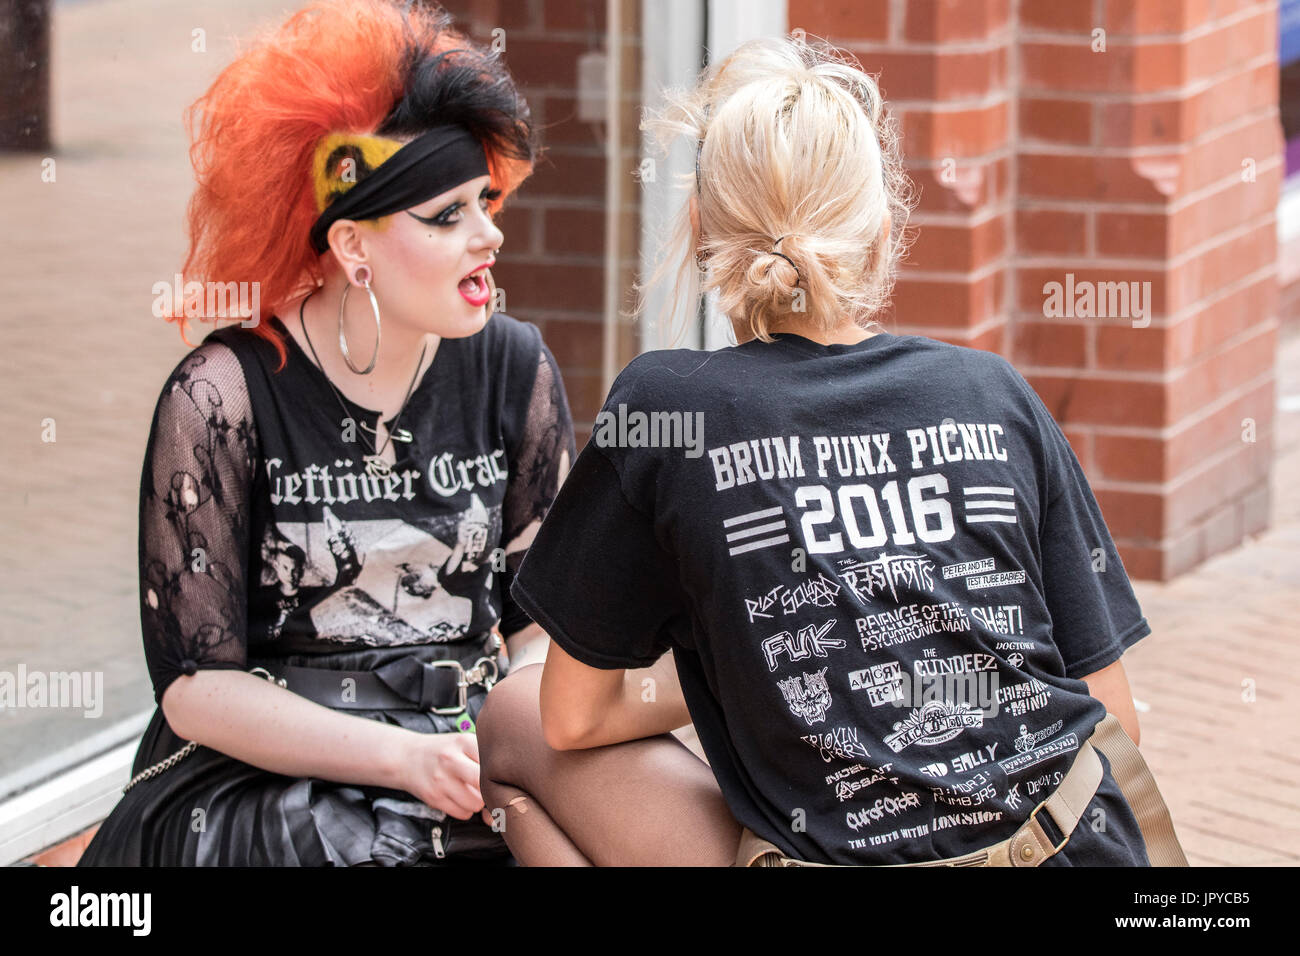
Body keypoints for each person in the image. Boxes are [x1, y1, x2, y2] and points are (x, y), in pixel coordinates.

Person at [476, 35, 1156, 867]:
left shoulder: (665, 408)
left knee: (506, 719)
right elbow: (1109, 715)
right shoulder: (994, 391)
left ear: (699, 230)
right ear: (878, 233)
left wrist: (763, 679)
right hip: (1072, 843)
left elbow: (570, 718)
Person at [79, 0, 574, 866]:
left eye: (484, 202)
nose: (489, 236)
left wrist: (501, 738)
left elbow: (540, 629)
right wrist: (402, 758)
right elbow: (197, 689)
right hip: (269, 776)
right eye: (447, 215)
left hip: (463, 748)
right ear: (353, 246)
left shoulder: (514, 368)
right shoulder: (221, 395)